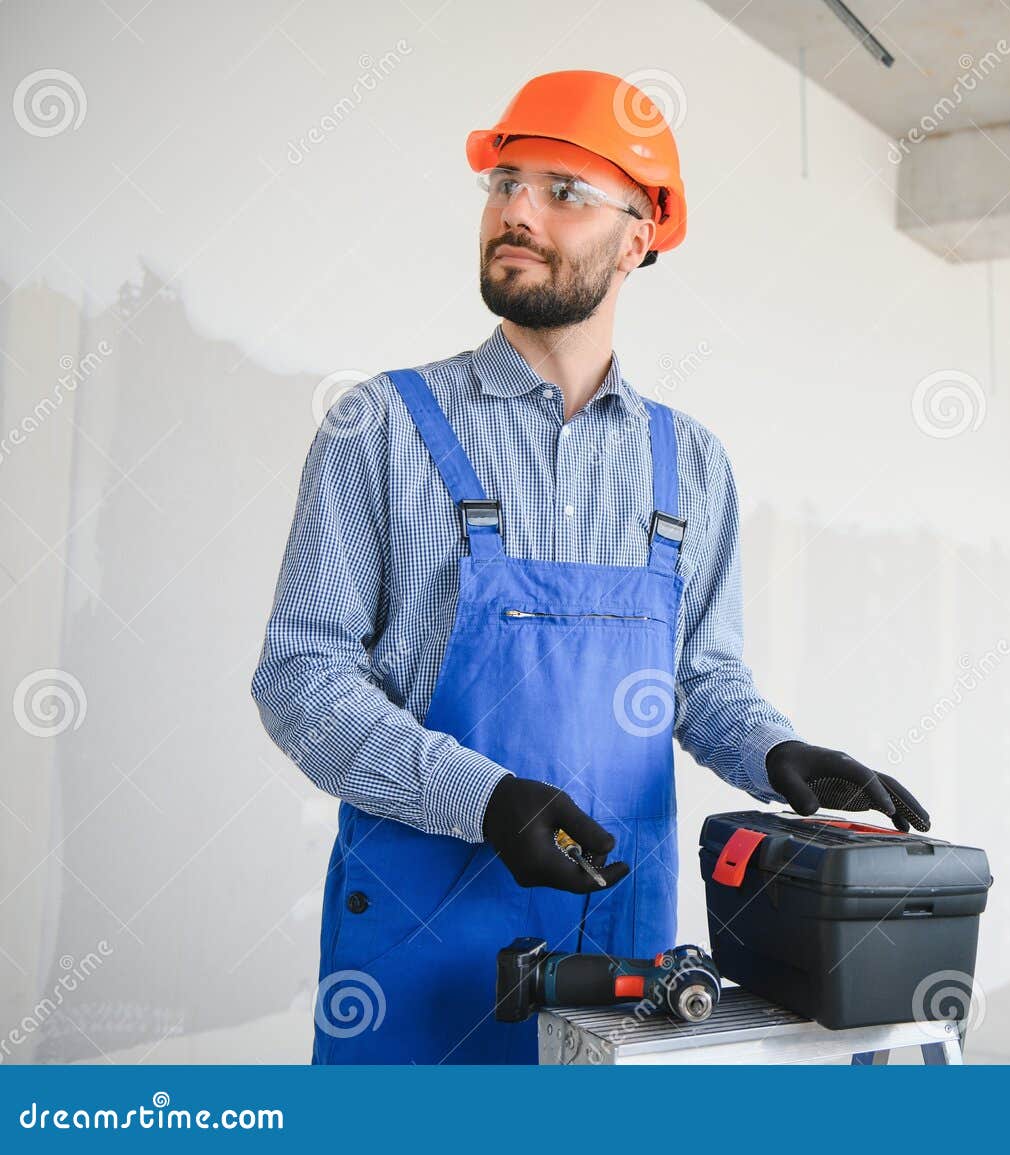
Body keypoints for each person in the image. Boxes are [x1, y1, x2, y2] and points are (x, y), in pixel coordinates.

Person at [250, 70, 929, 1064]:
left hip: (618, 934)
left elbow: (699, 678)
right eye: (504, 183)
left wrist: (773, 752)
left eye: (562, 192)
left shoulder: (689, 462)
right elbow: (300, 680)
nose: (516, 212)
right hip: (418, 933)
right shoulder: (381, 427)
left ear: (638, 238)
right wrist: (480, 795)